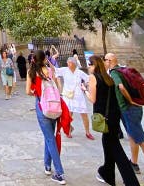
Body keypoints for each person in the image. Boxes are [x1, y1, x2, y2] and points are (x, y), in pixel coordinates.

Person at [105, 53, 144, 184]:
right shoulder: (122, 69)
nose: (104, 62)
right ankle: (134, 163)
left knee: (141, 140)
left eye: (105, 59)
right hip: (132, 109)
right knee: (132, 136)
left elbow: (120, 87)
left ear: (110, 61)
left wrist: (130, 100)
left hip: (129, 109)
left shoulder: (115, 73)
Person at [85, 55, 139, 186]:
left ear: (95, 65)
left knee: (115, 148)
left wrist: (84, 90)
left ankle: (131, 181)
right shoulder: (108, 77)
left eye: (90, 65)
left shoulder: (94, 77)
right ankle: (107, 173)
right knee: (107, 143)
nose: (88, 67)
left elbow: (92, 99)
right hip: (114, 116)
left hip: (105, 117)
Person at [27, 49, 66, 184]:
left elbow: (28, 91)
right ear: (44, 59)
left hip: (42, 106)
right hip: (55, 106)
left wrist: (37, 92)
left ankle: (60, 173)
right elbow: (57, 85)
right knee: (49, 136)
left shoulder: (32, 73)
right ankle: (47, 165)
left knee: (50, 139)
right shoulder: (50, 70)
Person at [60, 56, 94, 140]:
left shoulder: (79, 72)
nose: (68, 64)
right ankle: (68, 130)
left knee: (84, 114)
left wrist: (85, 87)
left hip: (78, 96)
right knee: (68, 115)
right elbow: (54, 70)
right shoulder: (64, 70)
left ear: (74, 63)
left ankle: (87, 132)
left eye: (70, 62)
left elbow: (88, 80)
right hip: (68, 96)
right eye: (68, 62)